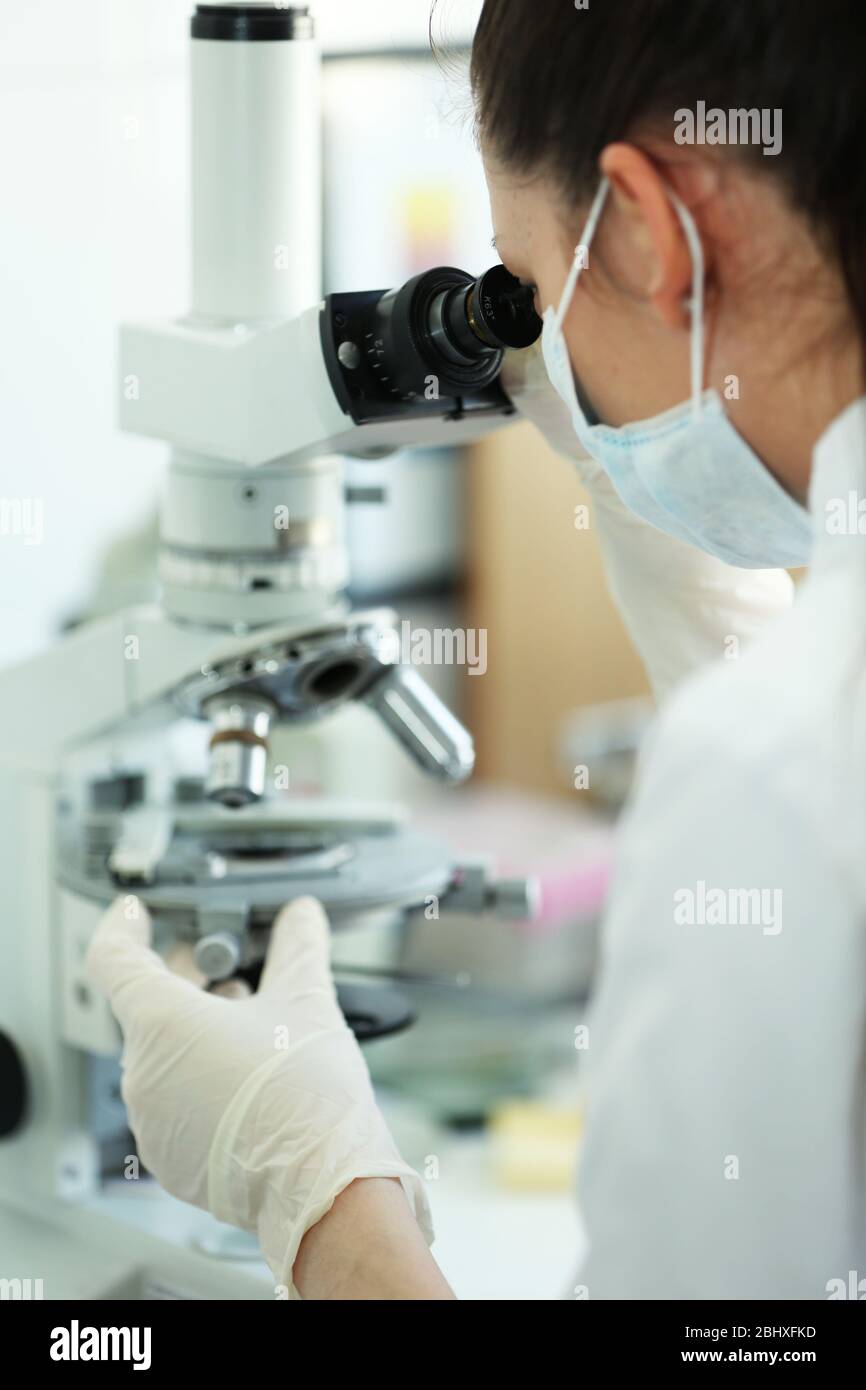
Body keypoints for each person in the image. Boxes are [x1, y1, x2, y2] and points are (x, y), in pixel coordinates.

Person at [88, 0, 866, 1299]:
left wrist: (319, 1193)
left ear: (641, 230)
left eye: (526, 283)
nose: (533, 349)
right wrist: (717, 634)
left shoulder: (778, 760)